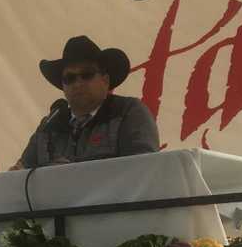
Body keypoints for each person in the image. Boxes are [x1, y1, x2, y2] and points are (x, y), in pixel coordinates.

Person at [11, 35, 159, 170]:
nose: (77, 83)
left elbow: (144, 171)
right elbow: (20, 174)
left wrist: (74, 175)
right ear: (63, 86)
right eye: (70, 78)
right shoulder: (48, 125)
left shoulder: (128, 112)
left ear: (105, 80)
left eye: (87, 74)